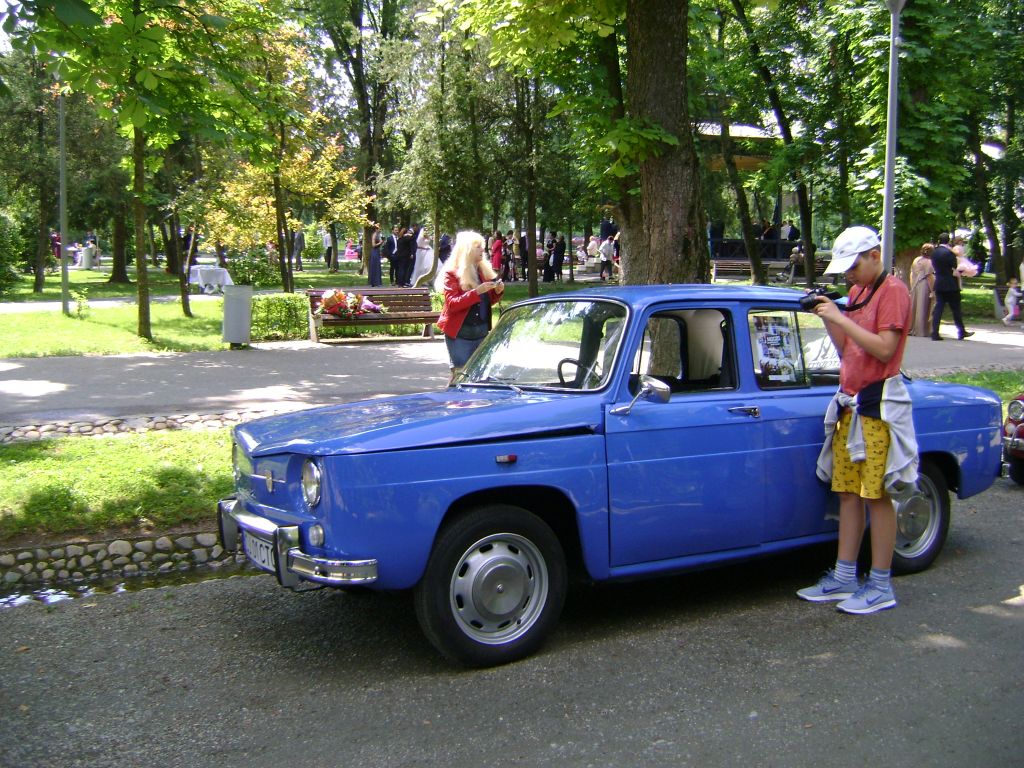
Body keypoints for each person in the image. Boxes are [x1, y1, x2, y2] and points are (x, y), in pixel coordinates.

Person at [798, 225, 916, 615]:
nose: (848, 274)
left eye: (853, 266)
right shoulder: (857, 292)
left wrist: (841, 317)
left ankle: (880, 584)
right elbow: (846, 349)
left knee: (877, 495)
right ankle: (845, 575)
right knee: (848, 492)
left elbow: (884, 350)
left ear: (875, 255)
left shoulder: (894, 291)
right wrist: (828, 316)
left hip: (878, 405)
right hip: (850, 401)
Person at [436, 231, 505, 384]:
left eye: (482, 246)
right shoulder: (451, 274)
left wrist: (497, 293)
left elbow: (485, 302)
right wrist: (476, 292)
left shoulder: (483, 271)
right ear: (467, 250)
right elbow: (453, 304)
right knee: (460, 377)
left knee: (481, 377)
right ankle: (454, 406)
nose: (483, 250)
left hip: (481, 333)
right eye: (478, 247)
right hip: (460, 335)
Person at [930, 233, 973, 341]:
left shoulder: (934, 253)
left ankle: (935, 332)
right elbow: (955, 267)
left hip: (939, 282)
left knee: (939, 308)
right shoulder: (949, 253)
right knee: (956, 309)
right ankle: (961, 331)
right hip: (950, 284)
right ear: (948, 241)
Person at [909, 243, 936, 337]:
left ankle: (912, 327)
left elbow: (911, 273)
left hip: (916, 284)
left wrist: (912, 285)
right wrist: (933, 291)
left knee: (914, 306)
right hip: (924, 284)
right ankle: (921, 330)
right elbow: (930, 277)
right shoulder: (928, 262)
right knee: (923, 306)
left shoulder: (916, 260)